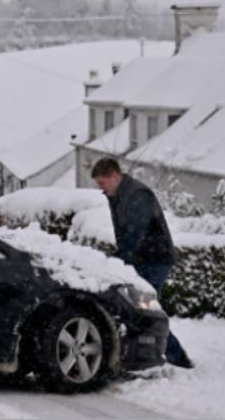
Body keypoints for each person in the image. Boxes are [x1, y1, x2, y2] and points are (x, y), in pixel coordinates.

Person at [91, 157, 194, 369]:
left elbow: (134, 235)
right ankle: (161, 355)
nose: (100, 189)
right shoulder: (119, 194)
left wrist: (116, 261)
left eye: (102, 183)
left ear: (115, 176)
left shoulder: (137, 195)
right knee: (141, 307)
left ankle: (176, 358)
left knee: (145, 308)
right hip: (142, 259)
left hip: (155, 260)